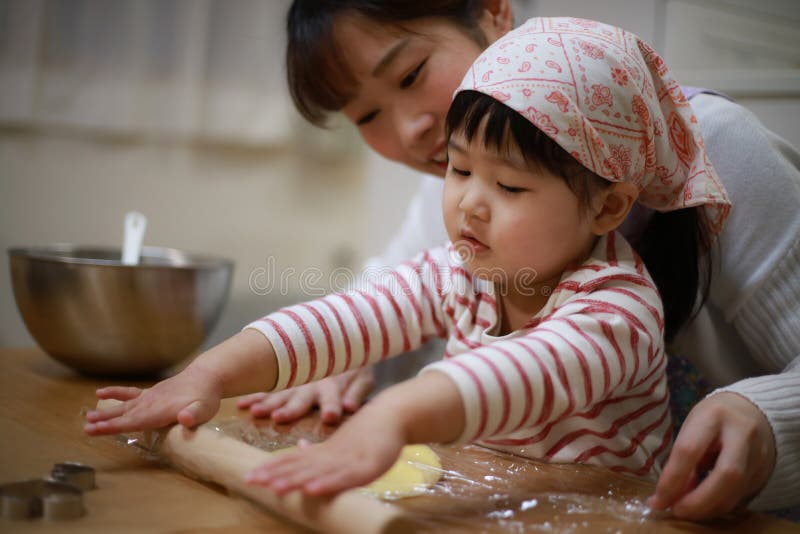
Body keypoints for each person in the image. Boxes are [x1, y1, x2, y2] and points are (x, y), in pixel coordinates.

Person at [84, 16, 732, 497]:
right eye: (458, 170)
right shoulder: (462, 271)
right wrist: (209, 376)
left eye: (508, 186)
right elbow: (349, 319)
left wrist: (394, 414)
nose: (471, 205)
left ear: (608, 207)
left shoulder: (618, 309)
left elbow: (524, 373)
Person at [236, 0, 800, 520]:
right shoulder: (470, 197)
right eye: (366, 116)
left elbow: (545, 362)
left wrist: (765, 418)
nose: (408, 131)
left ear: (493, 12)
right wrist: (337, 354)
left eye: (410, 75)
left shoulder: (714, 161)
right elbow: (383, 295)